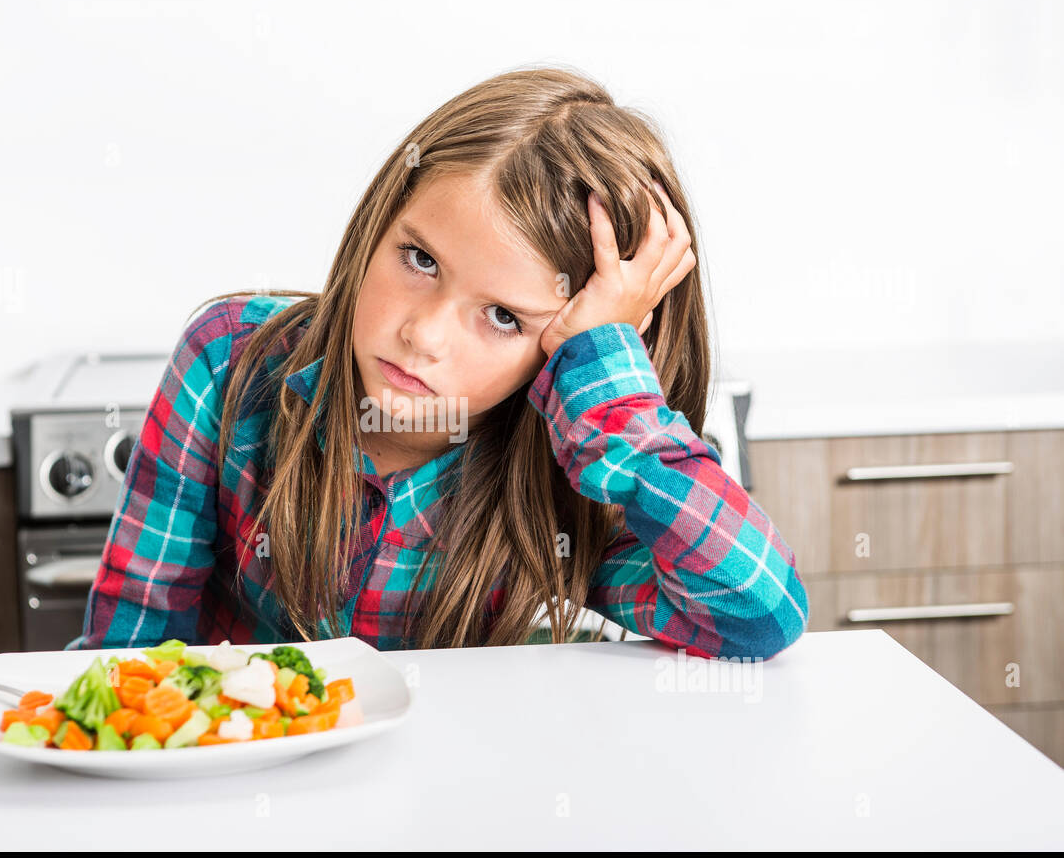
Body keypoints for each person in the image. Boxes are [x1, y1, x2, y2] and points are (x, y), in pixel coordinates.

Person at [69, 65, 809, 659]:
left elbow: (756, 613)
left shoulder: (565, 462)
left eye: (502, 317)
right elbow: (126, 651)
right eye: (420, 258)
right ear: (378, 221)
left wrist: (604, 383)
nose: (424, 335)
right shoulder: (231, 361)